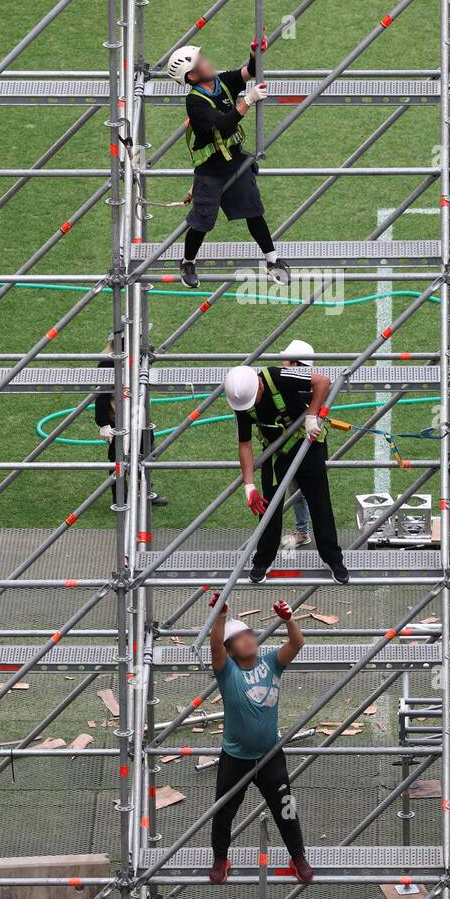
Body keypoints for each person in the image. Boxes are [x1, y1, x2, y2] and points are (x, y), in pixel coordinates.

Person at [208, 593, 313, 885]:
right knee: (223, 811)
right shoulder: (226, 672)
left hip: (269, 755)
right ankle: (220, 858)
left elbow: (297, 644)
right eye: (239, 638)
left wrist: (289, 620)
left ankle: (298, 855)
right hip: (235, 758)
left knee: (286, 808)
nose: (248, 639)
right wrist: (220, 615)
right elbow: (214, 645)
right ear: (230, 650)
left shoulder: (271, 662)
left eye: (249, 635)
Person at [223, 340, 349, 584]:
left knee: (320, 502)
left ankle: (333, 559)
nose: (254, 404)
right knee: (268, 508)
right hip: (275, 453)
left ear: (258, 383)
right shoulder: (242, 399)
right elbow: (245, 444)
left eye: (256, 397)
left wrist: (312, 415)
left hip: (307, 444)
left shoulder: (275, 377)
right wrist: (249, 485)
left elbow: (322, 382)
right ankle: (263, 561)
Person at [167, 43, 289, 290]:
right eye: (200, 60)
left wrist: (255, 54)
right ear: (191, 75)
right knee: (201, 222)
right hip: (210, 170)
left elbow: (249, 71)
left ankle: (272, 261)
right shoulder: (195, 102)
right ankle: (188, 262)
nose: (207, 61)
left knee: (254, 210)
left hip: (234, 161)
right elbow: (222, 125)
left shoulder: (222, 82)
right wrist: (248, 100)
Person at [95, 338, 168, 508]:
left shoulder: (137, 356)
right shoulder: (108, 363)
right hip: (119, 420)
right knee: (118, 460)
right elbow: (102, 396)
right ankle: (120, 499)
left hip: (138, 415)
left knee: (146, 454)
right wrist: (104, 424)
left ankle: (144, 493)